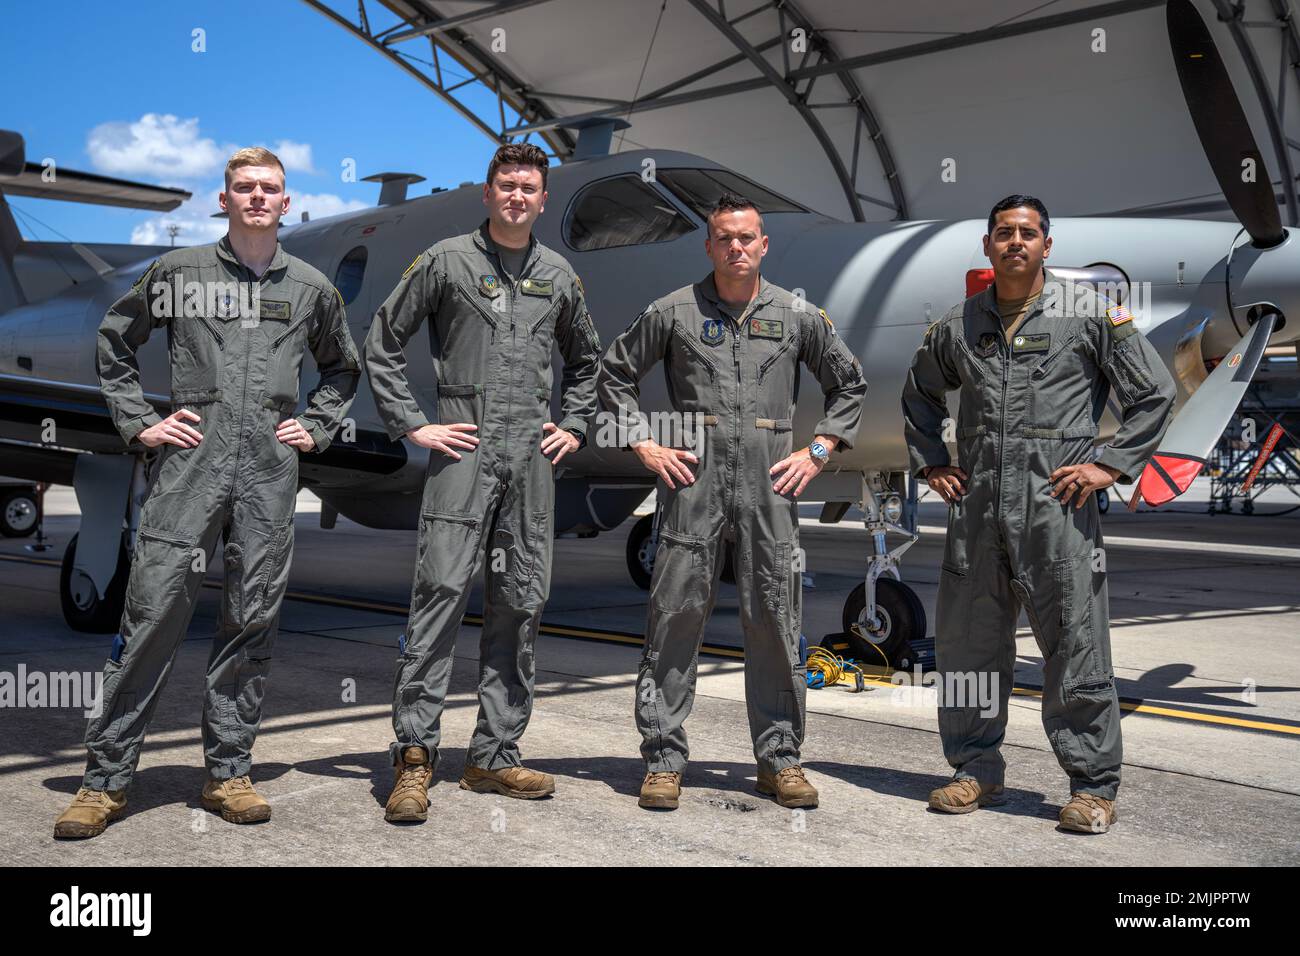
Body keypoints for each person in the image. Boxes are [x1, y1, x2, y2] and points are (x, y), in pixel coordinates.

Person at [55, 147, 360, 838]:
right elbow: (115, 341)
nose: (257, 197)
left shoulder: (312, 287)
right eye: (244, 187)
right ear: (222, 200)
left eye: (270, 189)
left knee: (252, 619)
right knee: (152, 614)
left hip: (268, 470)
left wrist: (314, 426)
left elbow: (343, 368)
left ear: (287, 203)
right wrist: (141, 423)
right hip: (190, 464)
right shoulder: (178, 272)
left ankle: (229, 772)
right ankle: (104, 781)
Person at [901, 194, 1176, 833]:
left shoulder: (1088, 312)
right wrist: (931, 462)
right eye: (1004, 233)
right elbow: (919, 393)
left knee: (1076, 647)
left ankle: (1092, 787)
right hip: (976, 514)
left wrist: (1110, 465)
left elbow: (1153, 393)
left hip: (1057, 511)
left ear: (1047, 246)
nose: (1015, 242)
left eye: (1028, 232)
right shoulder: (959, 322)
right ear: (988, 245)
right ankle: (975, 769)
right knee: (969, 648)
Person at [597, 192, 866, 811]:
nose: (736, 247)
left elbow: (848, 383)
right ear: (709, 245)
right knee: (675, 619)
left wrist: (818, 452)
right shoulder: (674, 312)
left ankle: (781, 760)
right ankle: (663, 759)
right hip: (693, 483)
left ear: (763, 245)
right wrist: (643, 444)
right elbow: (614, 373)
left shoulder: (798, 316)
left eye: (747, 237)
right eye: (725, 237)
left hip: (771, 486)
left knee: (775, 620)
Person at [364, 143, 602, 822]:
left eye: (528, 188)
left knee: (520, 604)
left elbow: (587, 361)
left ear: (542, 198)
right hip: (463, 449)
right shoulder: (445, 261)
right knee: (438, 597)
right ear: (488, 193)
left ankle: (494, 756)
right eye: (506, 186)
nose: (516, 197)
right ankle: (414, 760)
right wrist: (413, 423)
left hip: (530, 459)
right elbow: (382, 339)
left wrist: (576, 427)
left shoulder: (558, 275)